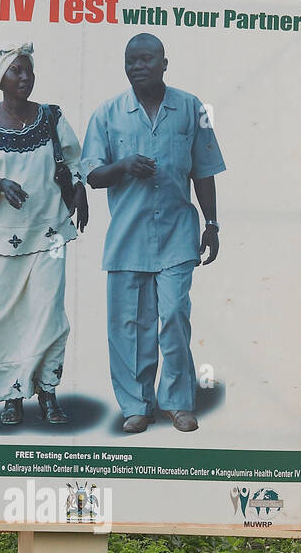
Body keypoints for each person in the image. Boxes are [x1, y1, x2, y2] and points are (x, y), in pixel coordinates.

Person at [82, 33, 226, 434]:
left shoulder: (190, 108)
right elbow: (92, 175)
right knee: (129, 325)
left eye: (147, 59)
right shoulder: (108, 113)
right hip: (127, 237)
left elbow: (205, 170)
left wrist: (212, 224)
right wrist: (124, 165)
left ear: (165, 63)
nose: (138, 66)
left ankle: (177, 402)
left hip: (178, 232)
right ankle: (135, 405)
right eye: (131, 60)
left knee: (174, 316)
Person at [0, 43, 88, 426]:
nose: (25, 77)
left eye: (28, 70)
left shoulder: (51, 117)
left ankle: (47, 391)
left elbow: (73, 158)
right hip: (1, 237)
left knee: (49, 314)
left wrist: (78, 189)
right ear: (1, 77)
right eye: (16, 71)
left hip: (49, 233)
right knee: (3, 316)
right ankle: (10, 395)